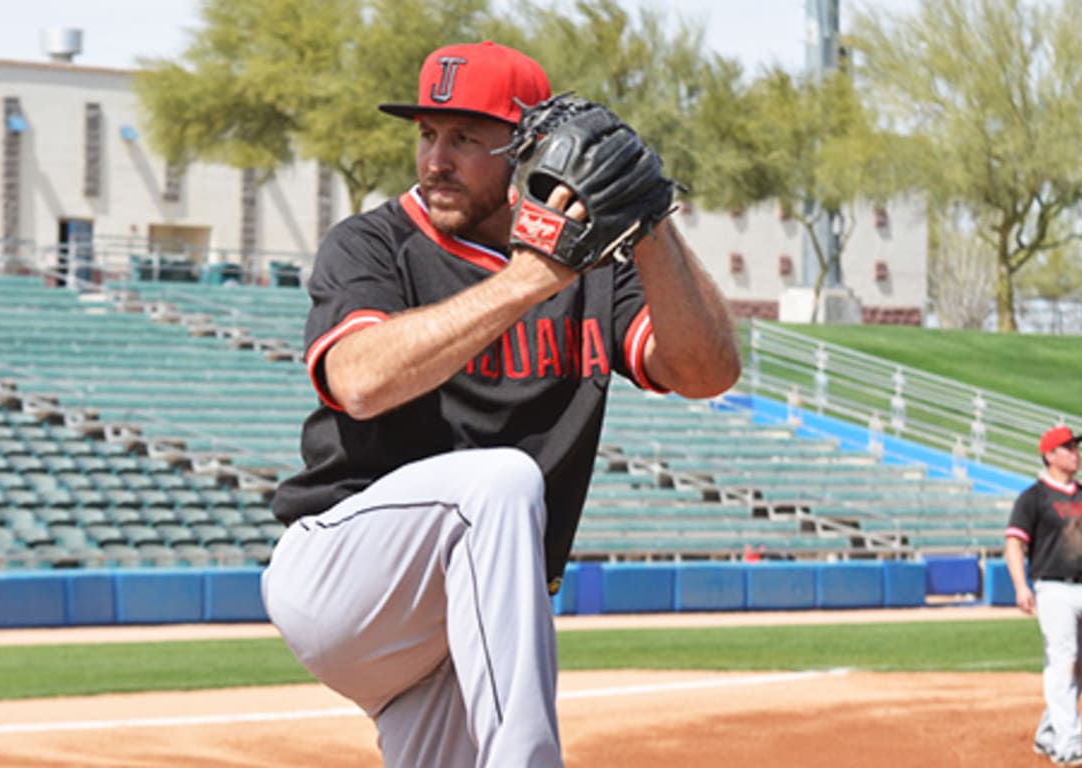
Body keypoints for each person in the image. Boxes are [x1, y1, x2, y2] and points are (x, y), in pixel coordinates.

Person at [260, 40, 740, 766]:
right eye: (427, 134)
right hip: (341, 576)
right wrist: (531, 277)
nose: (435, 160)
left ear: (527, 151)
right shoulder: (372, 244)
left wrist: (650, 217)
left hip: (456, 628)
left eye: (465, 138)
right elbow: (359, 381)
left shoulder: (594, 270)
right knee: (500, 480)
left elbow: (706, 372)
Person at [1005, 424, 1082, 767]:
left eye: (1075, 447)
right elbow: (1015, 543)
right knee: (1061, 663)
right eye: (1067, 447)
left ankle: (1048, 734)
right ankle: (1068, 747)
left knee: (1080, 667)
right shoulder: (1034, 498)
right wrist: (1020, 585)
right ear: (1049, 455)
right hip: (1054, 589)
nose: (1075, 452)